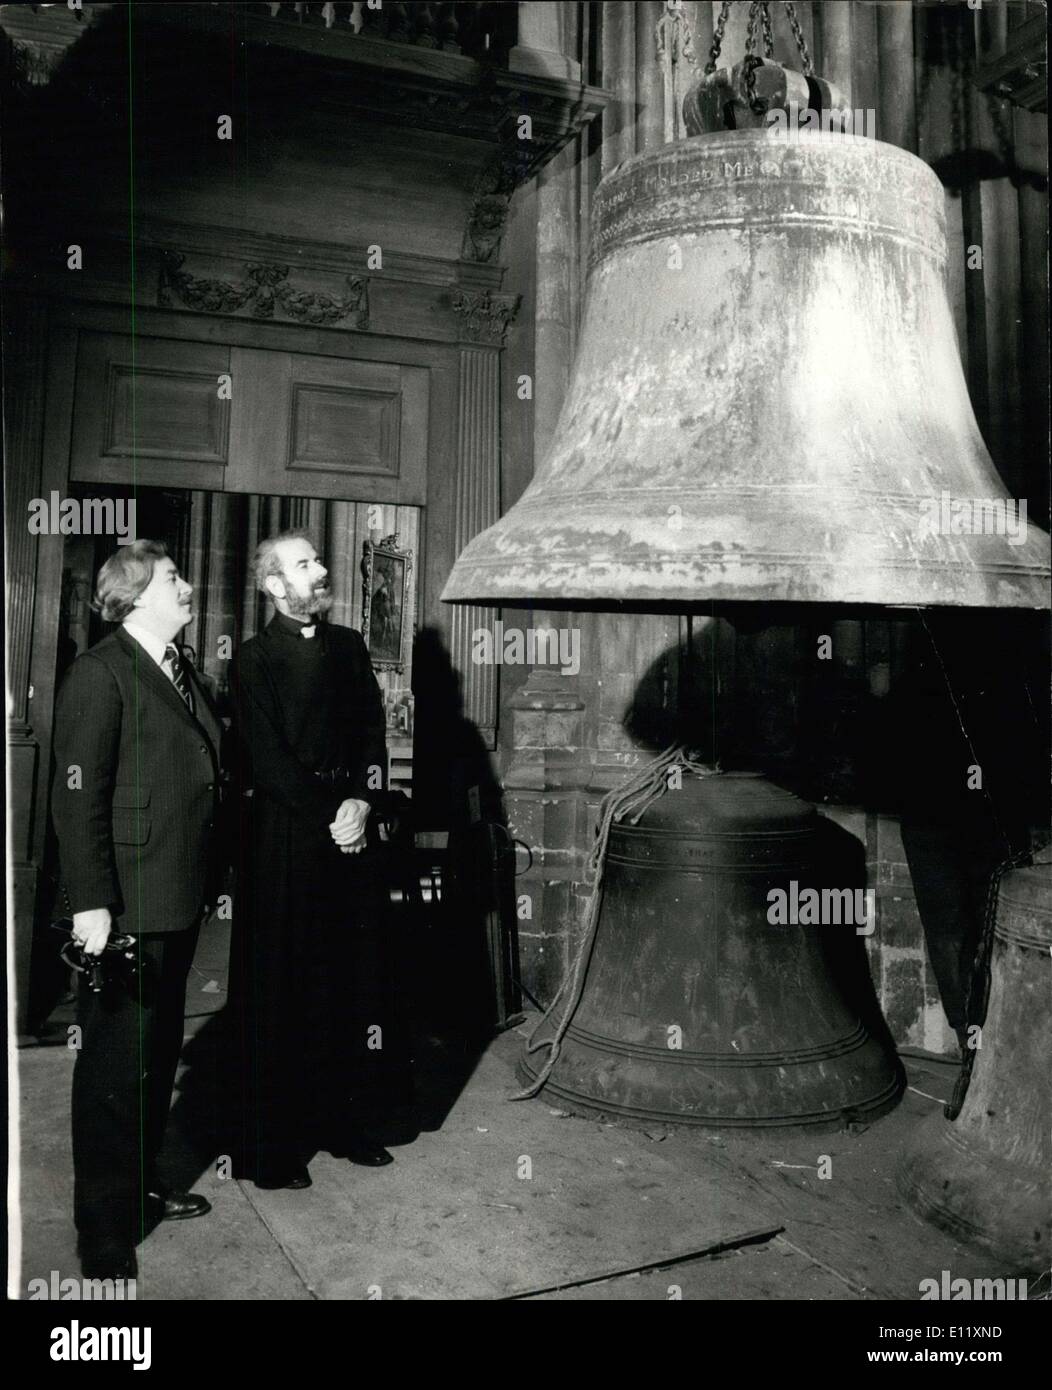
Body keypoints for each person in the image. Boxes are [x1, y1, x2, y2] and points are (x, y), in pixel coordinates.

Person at [50, 541, 221, 1279]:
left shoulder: (185, 675)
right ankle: (104, 1231)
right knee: (115, 1070)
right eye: (175, 578)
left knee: (152, 1060)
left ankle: (143, 1190)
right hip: (124, 903)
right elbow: (77, 793)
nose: (188, 587)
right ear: (137, 593)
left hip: (174, 894)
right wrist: (90, 900)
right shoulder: (101, 672)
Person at [228, 530, 412, 1190]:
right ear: (275, 586)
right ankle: (274, 1145)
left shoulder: (348, 647)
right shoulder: (252, 660)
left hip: (349, 835)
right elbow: (267, 758)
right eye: (304, 564)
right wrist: (330, 816)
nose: (321, 570)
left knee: (349, 982)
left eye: (317, 560)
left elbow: (370, 733)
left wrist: (361, 800)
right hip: (286, 841)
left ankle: (343, 1125)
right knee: (284, 987)